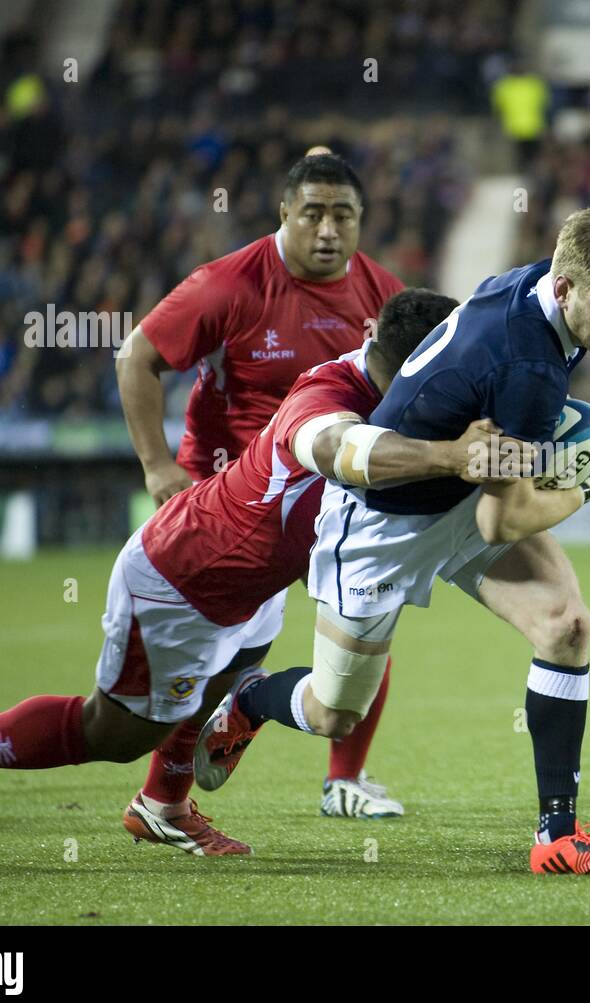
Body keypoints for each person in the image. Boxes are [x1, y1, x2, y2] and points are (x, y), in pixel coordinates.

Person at [0, 290, 491, 856]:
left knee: (210, 691)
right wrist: (450, 457)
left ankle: (164, 806)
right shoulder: (327, 399)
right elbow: (336, 446)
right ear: (420, 364)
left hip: (253, 589)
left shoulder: (397, 399)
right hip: (182, 578)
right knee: (114, 735)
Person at [202, 205, 590, 875]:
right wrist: (584, 478)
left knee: (565, 626)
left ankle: (557, 833)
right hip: (384, 524)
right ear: (565, 290)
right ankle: (249, 700)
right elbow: (507, 518)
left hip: (464, 486)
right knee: (334, 714)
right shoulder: (530, 363)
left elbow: (507, 421)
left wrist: (576, 443)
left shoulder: (540, 287)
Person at [115, 151, 408, 822]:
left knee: (370, 606)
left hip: (325, 497)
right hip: (231, 502)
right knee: (209, 660)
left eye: (344, 215)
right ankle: (171, 785)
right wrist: (160, 468)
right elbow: (137, 356)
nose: (328, 230)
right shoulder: (229, 285)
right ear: (285, 214)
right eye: (313, 214)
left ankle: (342, 779)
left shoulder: (384, 297)